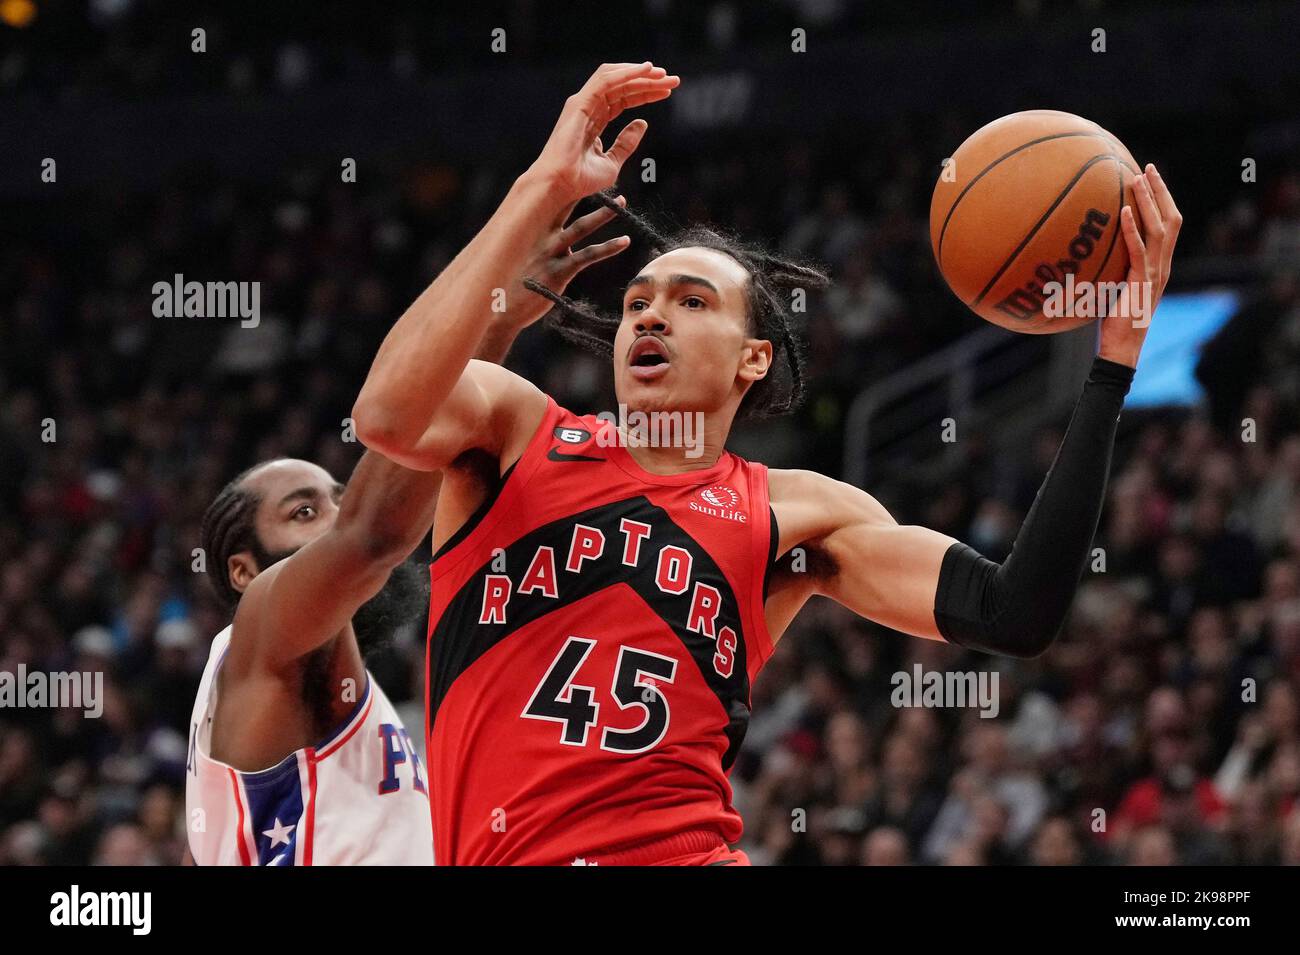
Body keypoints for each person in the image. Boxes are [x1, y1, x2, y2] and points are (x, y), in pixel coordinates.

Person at [352, 62, 1183, 865]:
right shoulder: (513, 428)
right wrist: (543, 183)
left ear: (753, 357)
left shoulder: (797, 514)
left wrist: (1112, 365)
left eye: (690, 301)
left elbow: (1014, 612)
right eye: (637, 302)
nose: (649, 317)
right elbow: (385, 415)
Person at [183, 199, 626, 865]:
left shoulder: (300, 686)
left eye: (336, 500)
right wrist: (497, 282)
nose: (334, 517)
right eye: (304, 513)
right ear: (243, 571)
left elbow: (413, 457)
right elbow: (373, 532)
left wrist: (501, 320)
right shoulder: (264, 625)